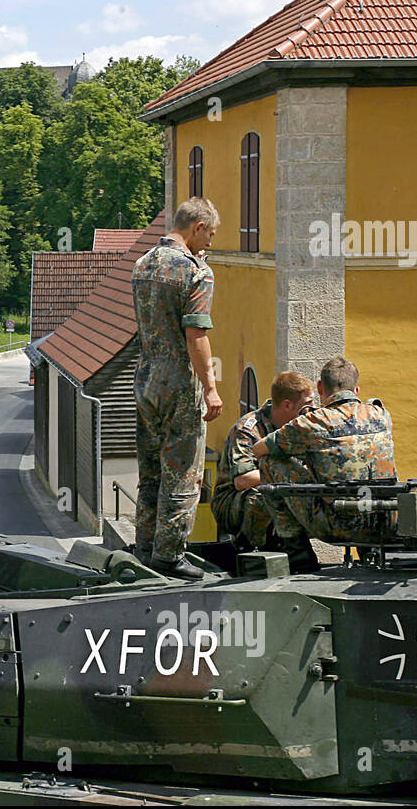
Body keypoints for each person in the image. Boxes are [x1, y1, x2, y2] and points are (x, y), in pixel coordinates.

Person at [131, 197, 224, 581]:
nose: (210, 244)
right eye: (211, 235)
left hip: (145, 377)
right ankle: (169, 555)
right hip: (178, 383)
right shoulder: (196, 272)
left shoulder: (143, 263)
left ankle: (144, 545)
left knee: (151, 470)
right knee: (183, 471)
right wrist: (211, 388)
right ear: (198, 226)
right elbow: (196, 335)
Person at [252, 356, 396, 564]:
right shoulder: (382, 414)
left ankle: (298, 554)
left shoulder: (310, 423)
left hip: (336, 525)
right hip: (382, 521)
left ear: (320, 388)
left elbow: (259, 450)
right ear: (356, 391)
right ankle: (370, 552)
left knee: (270, 462)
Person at [211, 371, 317, 549]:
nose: (313, 409)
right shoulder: (248, 429)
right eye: (307, 404)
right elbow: (242, 480)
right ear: (287, 405)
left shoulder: (302, 427)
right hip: (234, 504)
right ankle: (249, 550)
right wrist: (289, 477)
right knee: (263, 494)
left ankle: (296, 548)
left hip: (284, 492)